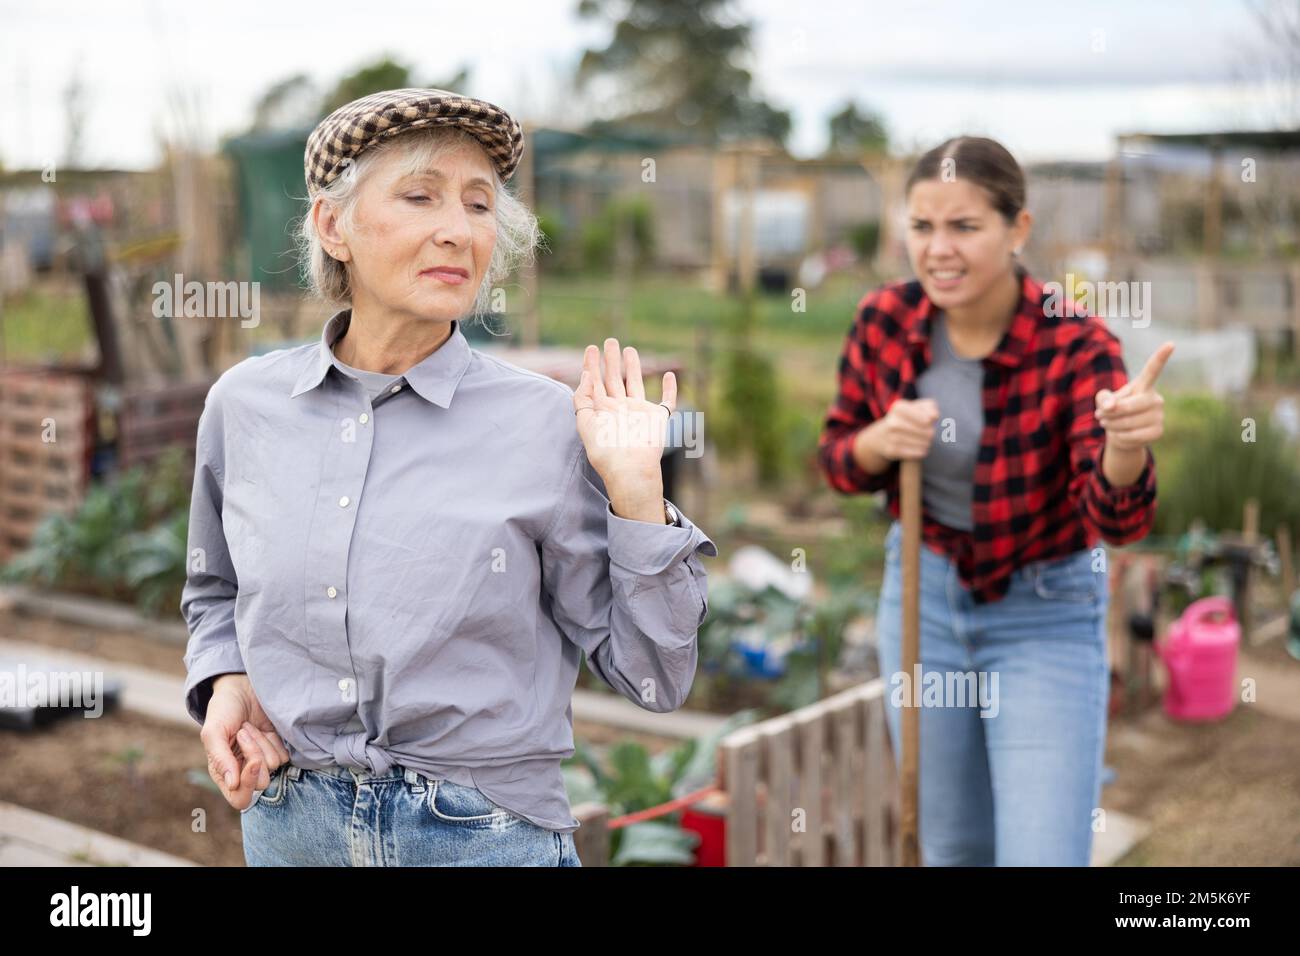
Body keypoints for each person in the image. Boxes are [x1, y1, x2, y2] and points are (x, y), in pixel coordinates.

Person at [180, 88, 716, 866]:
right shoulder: (244, 406)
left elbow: (652, 678)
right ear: (333, 226)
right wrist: (224, 678)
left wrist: (639, 493)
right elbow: (213, 590)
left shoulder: (545, 424)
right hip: (291, 827)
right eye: (420, 196)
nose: (457, 231)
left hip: (481, 837)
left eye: (478, 205)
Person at [818, 135, 1173, 866]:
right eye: (922, 227)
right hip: (924, 597)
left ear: (1018, 230)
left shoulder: (1075, 343)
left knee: (1042, 853)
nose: (938, 249)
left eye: (964, 226)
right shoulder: (884, 320)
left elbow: (1118, 520)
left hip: (1044, 609)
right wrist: (880, 440)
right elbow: (838, 462)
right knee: (954, 847)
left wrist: (1126, 447)